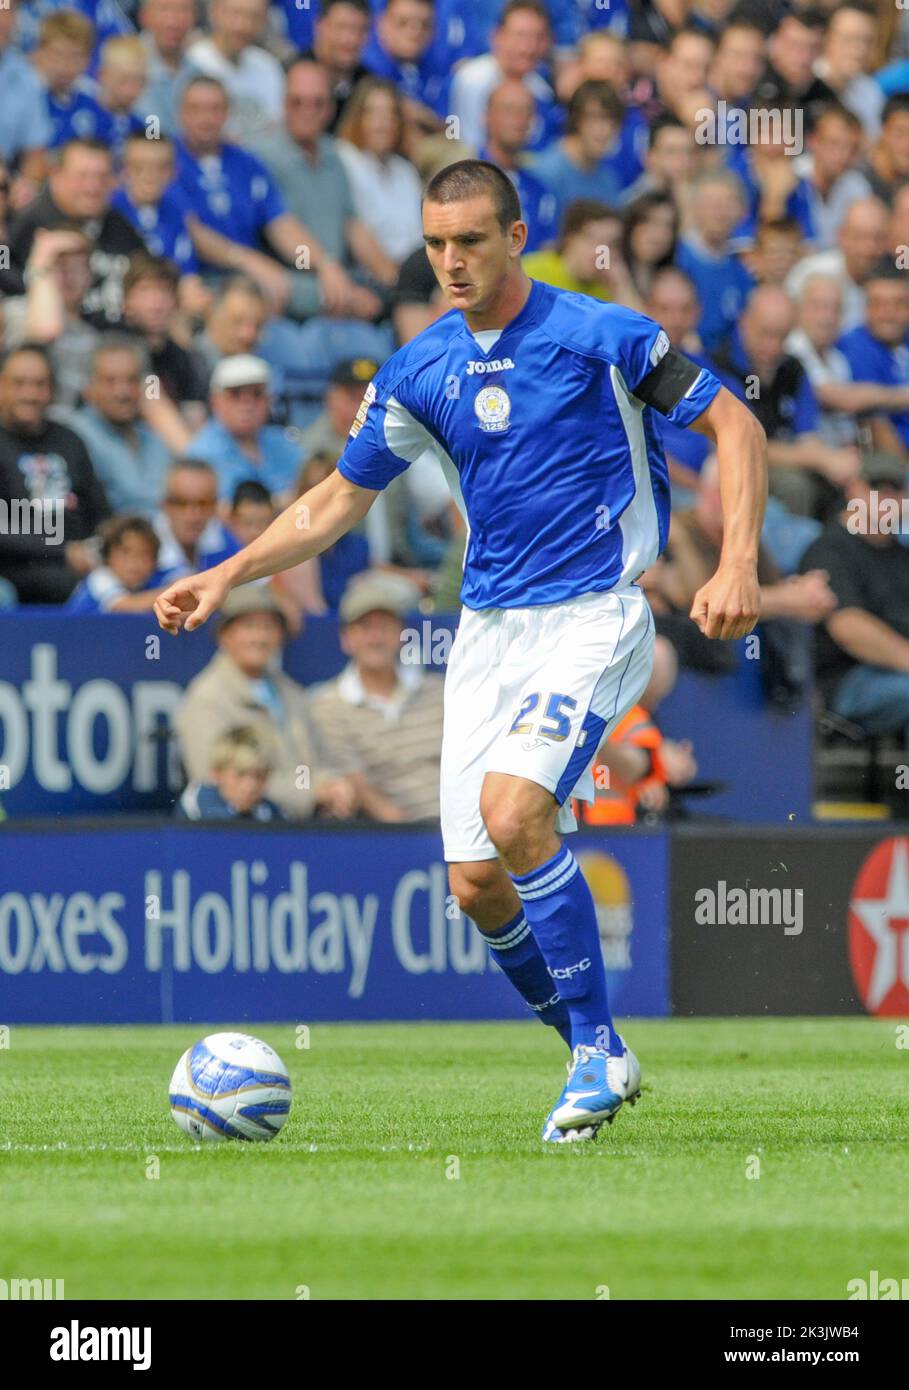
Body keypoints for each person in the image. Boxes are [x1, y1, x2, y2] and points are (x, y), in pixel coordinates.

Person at [155, 158, 768, 1146]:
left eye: (470, 241)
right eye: (436, 244)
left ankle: (599, 1048)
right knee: (475, 884)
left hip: (592, 615)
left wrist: (737, 562)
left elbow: (734, 423)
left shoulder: (601, 335)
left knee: (513, 810)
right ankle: (587, 1043)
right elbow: (335, 502)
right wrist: (227, 575)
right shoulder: (421, 365)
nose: (450, 261)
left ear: (515, 236)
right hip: (486, 636)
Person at [174, 584, 361, 820]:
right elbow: (214, 781)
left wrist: (333, 785)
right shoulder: (206, 698)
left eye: (268, 627)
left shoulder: (291, 692)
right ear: (225, 635)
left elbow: (319, 757)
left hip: (307, 826)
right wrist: (310, 792)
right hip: (245, 831)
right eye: (249, 626)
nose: (259, 637)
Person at [306, 570, 445, 821]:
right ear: (346, 639)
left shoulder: (439, 691)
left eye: (384, 626)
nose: (375, 637)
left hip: (460, 825)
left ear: (402, 635)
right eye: (365, 627)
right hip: (391, 837)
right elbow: (355, 781)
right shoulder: (328, 705)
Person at [799, 450, 909, 745]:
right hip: (848, 681)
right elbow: (849, 628)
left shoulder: (901, 556)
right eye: (876, 487)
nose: (886, 498)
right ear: (854, 489)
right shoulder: (828, 549)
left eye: (895, 490)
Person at [0, 343, 109, 603]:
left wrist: (102, 549)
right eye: (19, 383)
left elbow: (101, 513)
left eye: (40, 384)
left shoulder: (69, 440)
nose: (30, 393)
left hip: (79, 565)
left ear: (52, 391)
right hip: (13, 569)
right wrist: (63, 551)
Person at [7, 137, 147, 327]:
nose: (92, 187)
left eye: (102, 177)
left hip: (117, 339)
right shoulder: (27, 225)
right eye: (82, 176)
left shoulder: (119, 224)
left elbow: (146, 272)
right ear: (56, 175)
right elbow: (8, 285)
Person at [69, 335, 172, 517]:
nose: (122, 392)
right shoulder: (76, 435)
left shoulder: (153, 437)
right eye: (110, 381)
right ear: (89, 387)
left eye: (131, 380)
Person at [187, 353, 302, 504]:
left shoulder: (284, 442)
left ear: (269, 400)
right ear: (215, 401)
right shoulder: (200, 454)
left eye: (257, 394)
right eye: (235, 394)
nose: (248, 404)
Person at [335, 77, 424, 264]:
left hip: (417, 266)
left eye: (390, 114)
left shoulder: (405, 170)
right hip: (370, 274)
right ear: (357, 117)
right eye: (372, 113)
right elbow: (354, 230)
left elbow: (420, 233)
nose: (382, 124)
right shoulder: (343, 158)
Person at [185, 0, 285, 142]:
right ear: (214, 12)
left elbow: (277, 127)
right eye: (235, 14)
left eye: (253, 17)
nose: (243, 25)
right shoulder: (194, 63)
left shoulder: (268, 66)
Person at [175, 725, 285, 821]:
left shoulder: (271, 811)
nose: (251, 785)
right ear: (216, 774)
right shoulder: (198, 800)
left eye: (259, 775)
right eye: (240, 774)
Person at [65, 512, 161, 612]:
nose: (135, 561)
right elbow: (123, 607)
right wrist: (171, 595)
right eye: (125, 552)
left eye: (144, 554)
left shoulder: (148, 584)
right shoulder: (100, 578)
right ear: (108, 555)